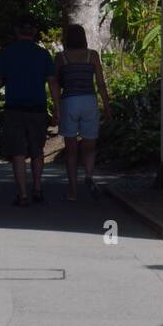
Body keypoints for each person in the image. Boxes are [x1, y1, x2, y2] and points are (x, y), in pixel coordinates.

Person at [0, 17, 60, 206]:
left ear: (16, 31)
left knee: (18, 153)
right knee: (37, 151)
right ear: (34, 32)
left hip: (14, 109)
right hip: (37, 108)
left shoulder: (7, 53)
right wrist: (57, 108)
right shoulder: (43, 54)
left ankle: (22, 194)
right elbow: (52, 82)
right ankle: (37, 188)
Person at [54, 24, 112, 200]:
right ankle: (88, 176)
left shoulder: (61, 57)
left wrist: (56, 109)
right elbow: (101, 83)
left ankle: (72, 191)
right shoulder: (92, 55)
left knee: (70, 150)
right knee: (89, 145)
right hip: (89, 100)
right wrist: (107, 106)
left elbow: (55, 84)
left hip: (69, 101)